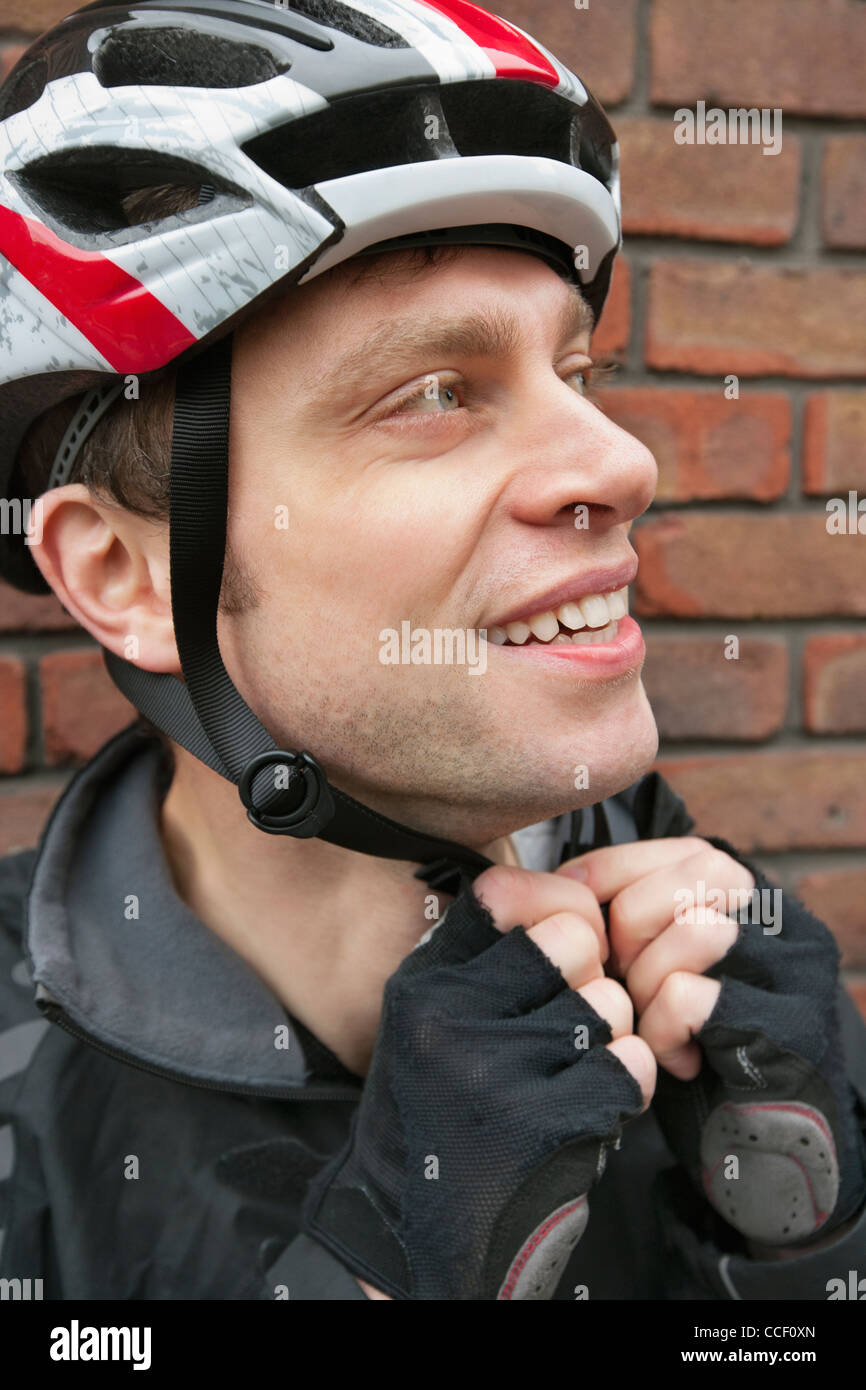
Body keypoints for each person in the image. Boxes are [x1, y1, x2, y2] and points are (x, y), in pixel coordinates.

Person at [0, 0, 863, 1301]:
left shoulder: (737, 993)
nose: (617, 463)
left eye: (578, 372)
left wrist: (806, 1256)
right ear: (123, 574)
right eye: (436, 393)